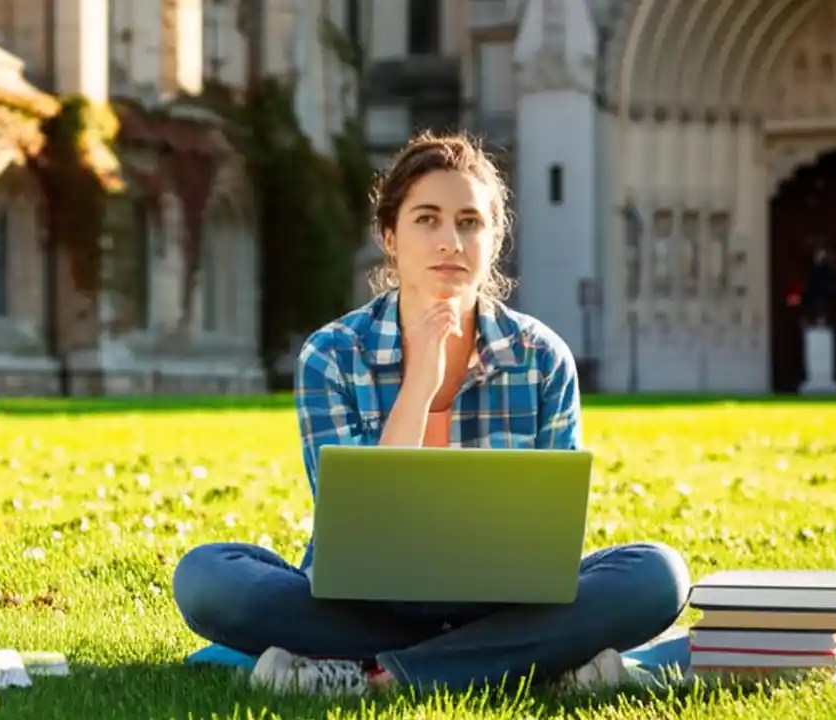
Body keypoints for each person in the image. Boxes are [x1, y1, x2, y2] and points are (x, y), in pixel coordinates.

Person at [171, 132, 690, 697]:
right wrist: (417, 387)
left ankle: (377, 675)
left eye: (470, 221)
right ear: (389, 237)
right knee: (207, 578)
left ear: (494, 240)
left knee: (658, 575)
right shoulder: (333, 354)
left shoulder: (542, 359)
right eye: (427, 219)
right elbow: (365, 527)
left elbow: (554, 539)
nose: (451, 240)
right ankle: (527, 661)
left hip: (506, 603)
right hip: (364, 604)